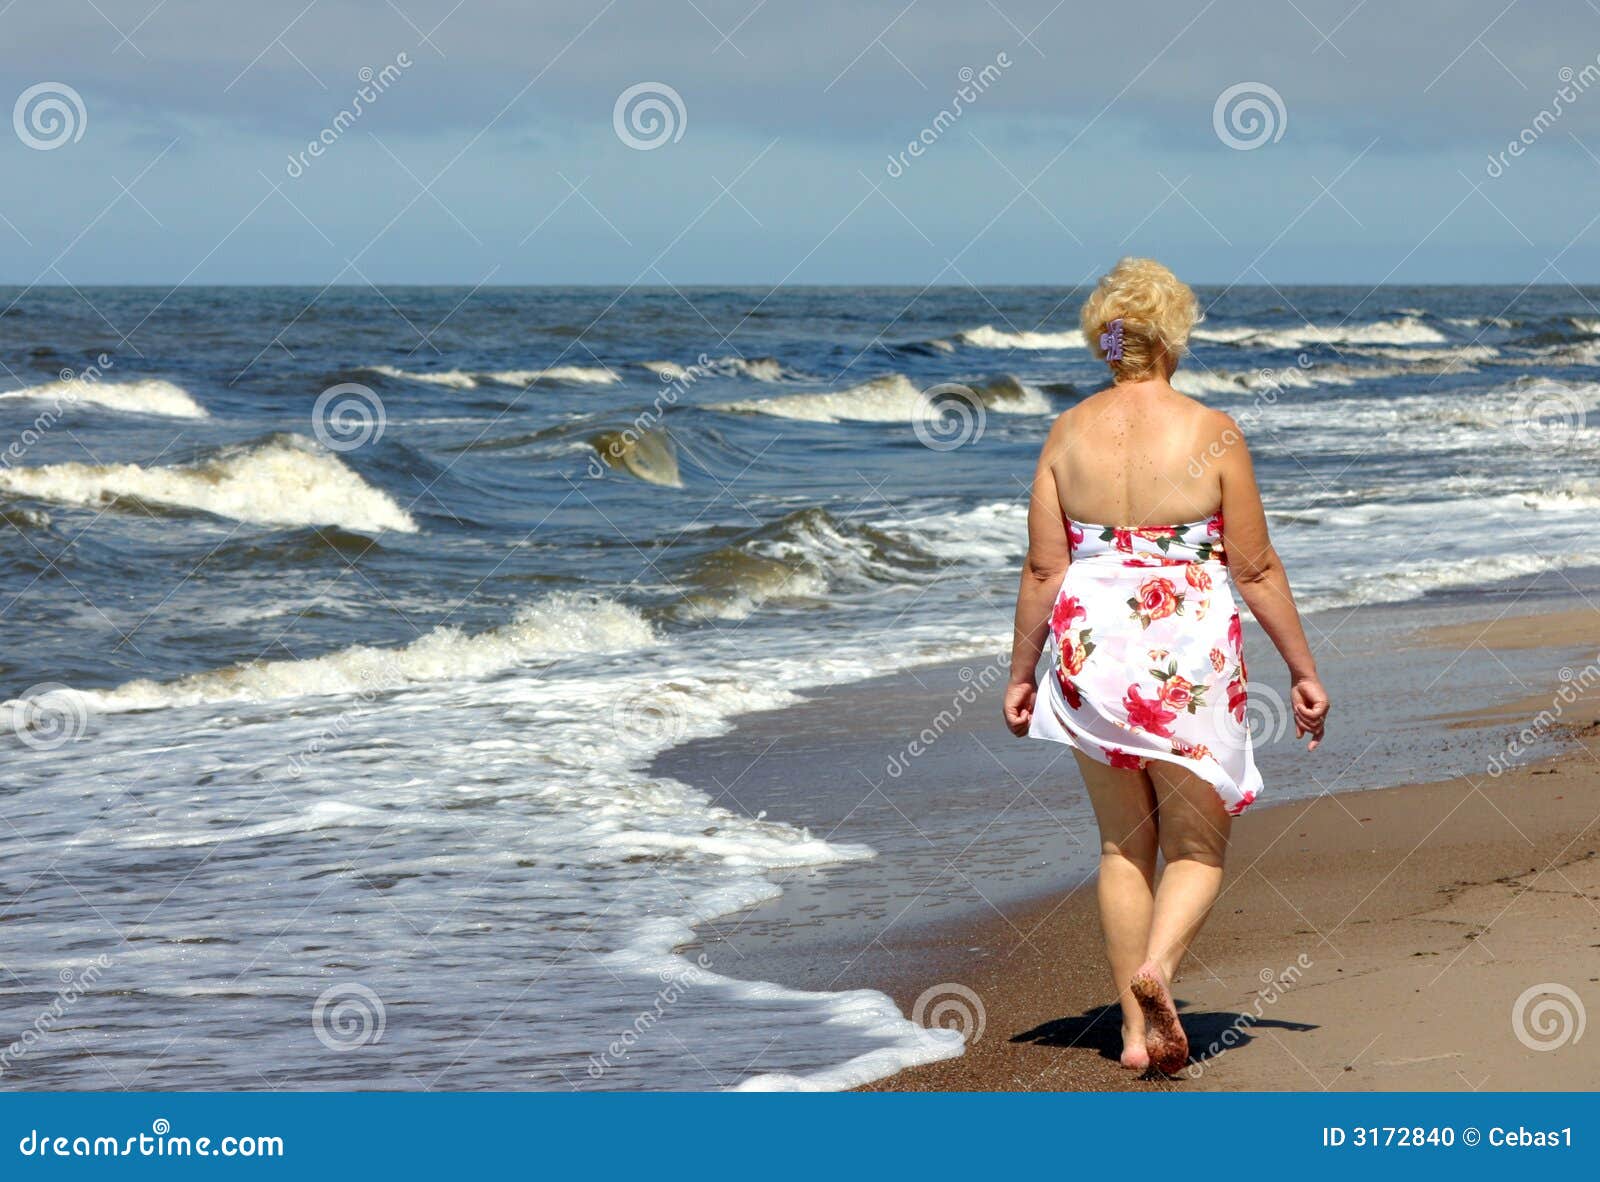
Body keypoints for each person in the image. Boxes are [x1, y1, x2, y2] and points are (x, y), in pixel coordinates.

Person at [1002, 258, 1329, 1075]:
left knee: (1121, 847)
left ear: (1105, 341)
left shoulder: (1065, 432)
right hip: (1181, 653)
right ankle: (1160, 972)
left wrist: (1019, 674)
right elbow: (1253, 568)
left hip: (1090, 650)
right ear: (1172, 336)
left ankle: (1134, 1036)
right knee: (1196, 848)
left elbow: (1043, 571)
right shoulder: (1210, 430)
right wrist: (1303, 670)